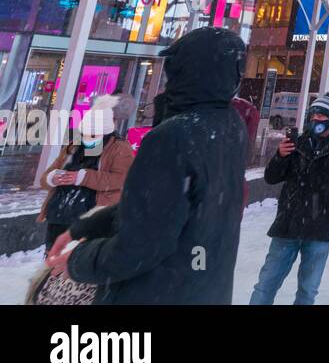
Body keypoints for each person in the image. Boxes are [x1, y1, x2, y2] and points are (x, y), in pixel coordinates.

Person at [49, 27, 248, 304]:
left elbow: (142, 246)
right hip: (203, 288)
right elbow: (162, 206)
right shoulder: (231, 125)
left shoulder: (173, 137)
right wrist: (86, 227)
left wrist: (79, 261)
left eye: (173, 70)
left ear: (187, 72)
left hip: (154, 294)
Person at [250, 94, 329, 305]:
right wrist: (280, 156)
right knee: (266, 285)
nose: (316, 119)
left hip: (319, 230)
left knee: (307, 291)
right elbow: (271, 177)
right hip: (287, 227)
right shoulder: (298, 143)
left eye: (321, 115)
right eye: (313, 115)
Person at [38, 95, 135, 251]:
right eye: (85, 133)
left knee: (77, 262)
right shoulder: (75, 146)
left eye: (94, 134)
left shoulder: (120, 148)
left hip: (91, 217)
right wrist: (53, 178)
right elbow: (45, 178)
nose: (88, 138)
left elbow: (123, 179)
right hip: (59, 215)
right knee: (53, 259)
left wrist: (83, 177)